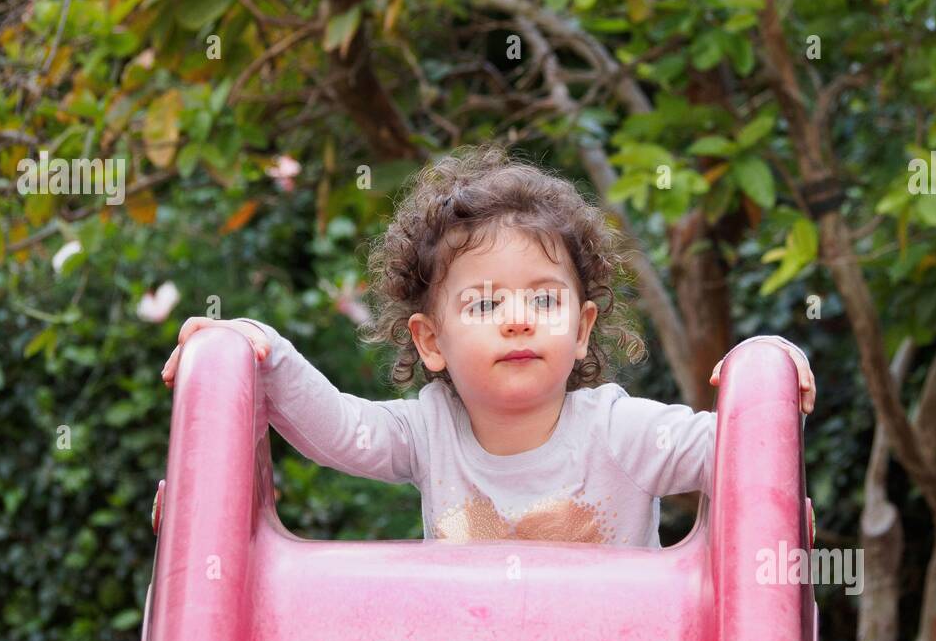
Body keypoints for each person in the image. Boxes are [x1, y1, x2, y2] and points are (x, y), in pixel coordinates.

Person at [160, 144, 815, 547]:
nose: (519, 319)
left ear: (582, 329)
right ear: (431, 340)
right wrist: (260, 354)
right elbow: (342, 428)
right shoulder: (429, 430)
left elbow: (739, 449)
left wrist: (768, 370)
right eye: (484, 303)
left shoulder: (619, 431)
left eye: (544, 299)